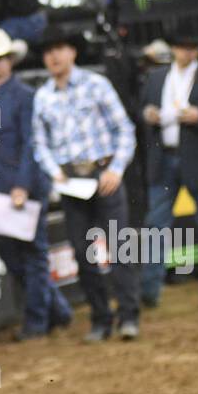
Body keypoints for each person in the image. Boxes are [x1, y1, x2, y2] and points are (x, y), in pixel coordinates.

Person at [31, 26, 139, 342]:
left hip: (104, 175)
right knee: (81, 251)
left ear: (72, 52)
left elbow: (125, 129)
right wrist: (55, 172)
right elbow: (39, 144)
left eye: (59, 49)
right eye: (48, 51)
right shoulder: (43, 96)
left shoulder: (96, 84)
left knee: (118, 247)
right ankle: (101, 318)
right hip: (71, 182)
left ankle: (129, 315)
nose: (53, 56)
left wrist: (116, 170)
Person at [0, 29, 73, 341]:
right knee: (15, 255)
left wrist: (23, 185)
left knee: (31, 254)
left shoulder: (25, 97)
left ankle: (38, 322)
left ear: (9, 60)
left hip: (21, 186)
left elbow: (32, 143)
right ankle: (57, 311)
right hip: (0, 187)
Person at [139, 30, 198, 309]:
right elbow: (141, 109)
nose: (188, 52)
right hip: (164, 159)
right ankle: (150, 290)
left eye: (192, 47)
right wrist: (148, 115)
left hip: (195, 159)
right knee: (157, 225)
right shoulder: (156, 78)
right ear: (174, 49)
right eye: (183, 47)